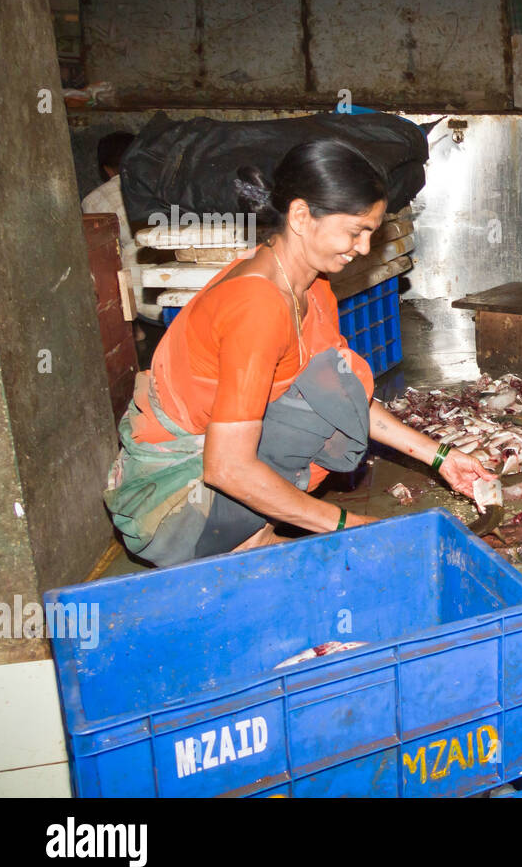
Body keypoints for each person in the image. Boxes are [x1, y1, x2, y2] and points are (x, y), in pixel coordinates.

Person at [103, 139, 493, 567]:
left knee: (339, 382)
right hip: (171, 511)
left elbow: (351, 401)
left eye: (371, 233)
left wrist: (442, 457)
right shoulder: (258, 305)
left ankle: (253, 532)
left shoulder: (309, 284)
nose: (363, 247)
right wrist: (348, 526)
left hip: (205, 481)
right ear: (302, 216)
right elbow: (227, 469)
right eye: (355, 231)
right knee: (320, 405)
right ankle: (231, 541)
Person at [81, 131, 162, 329]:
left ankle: (135, 332)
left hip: (141, 302)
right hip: (190, 291)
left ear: (107, 169)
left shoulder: (93, 201)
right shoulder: (167, 185)